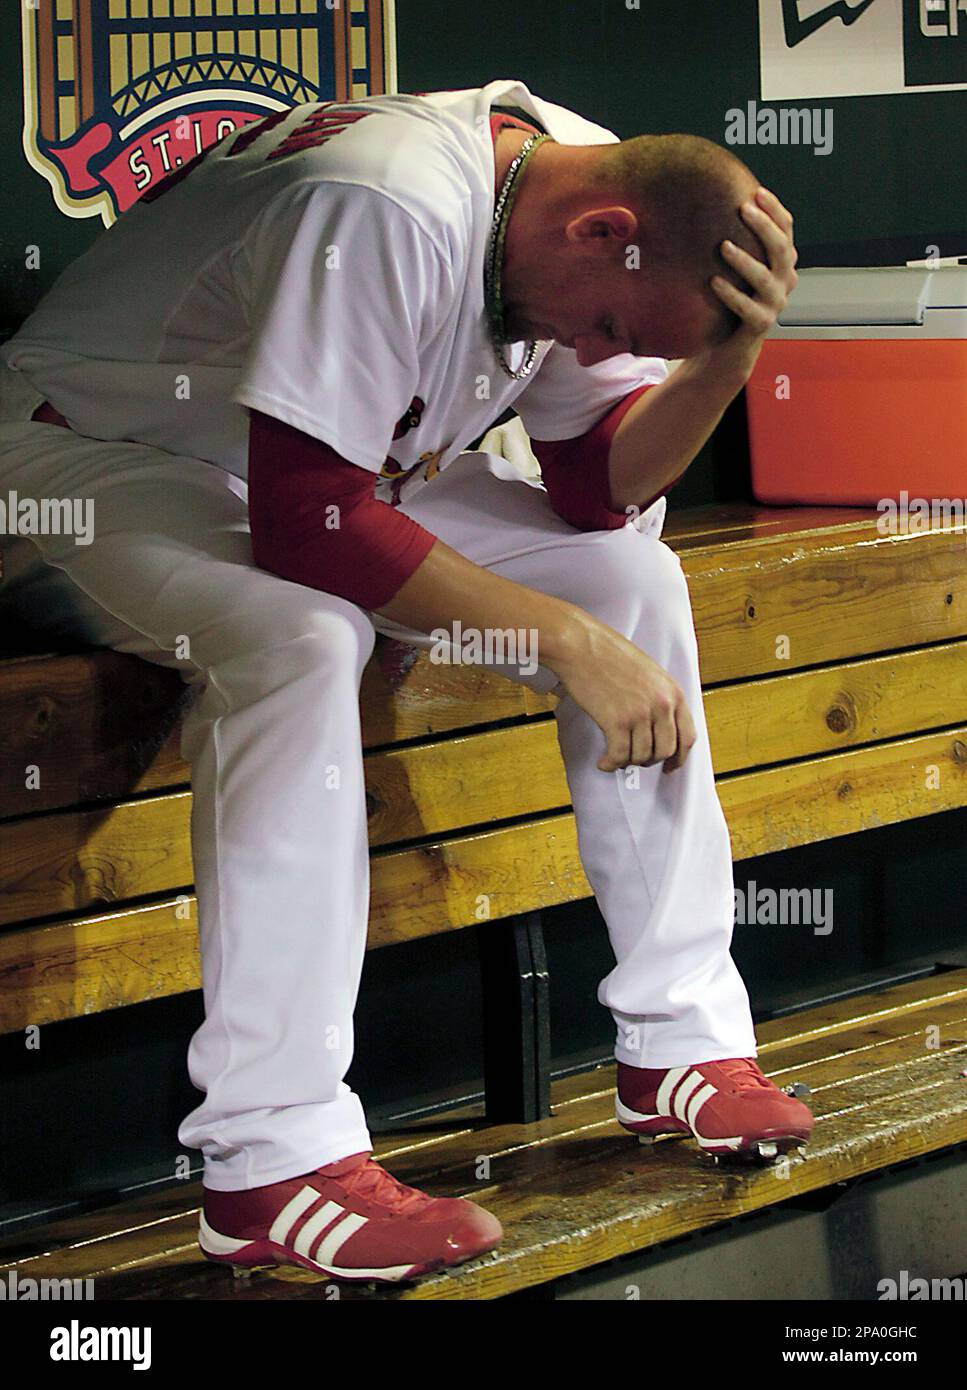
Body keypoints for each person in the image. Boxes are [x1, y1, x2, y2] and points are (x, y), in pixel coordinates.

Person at [0, 78, 811, 1285]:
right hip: (87, 452)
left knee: (630, 581)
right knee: (300, 636)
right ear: (599, 233)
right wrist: (560, 644)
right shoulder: (390, 200)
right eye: (608, 327)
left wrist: (727, 352)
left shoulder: (587, 177)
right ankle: (269, 1161)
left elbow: (594, 486)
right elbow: (310, 524)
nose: (590, 355)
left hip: (314, 455)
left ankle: (680, 1043)